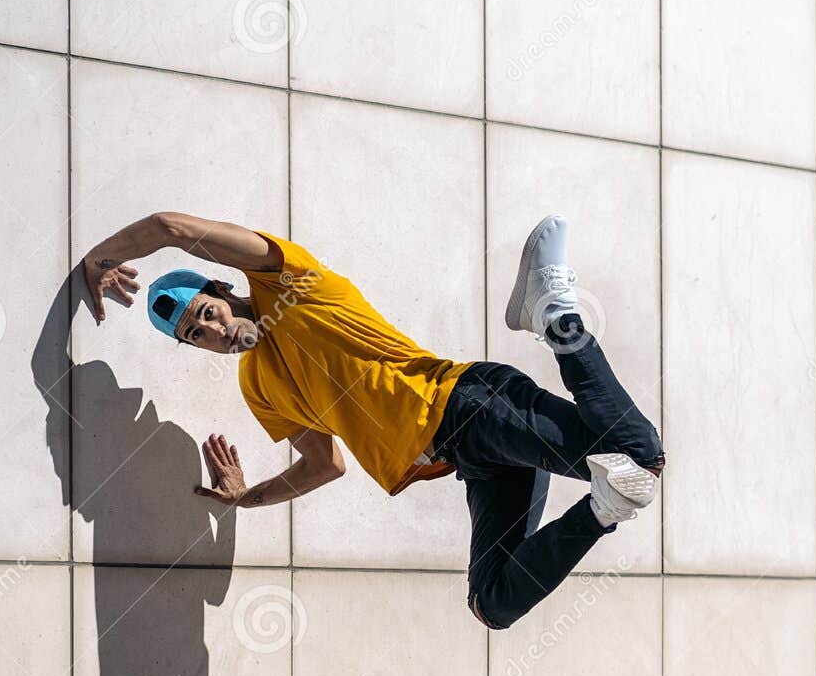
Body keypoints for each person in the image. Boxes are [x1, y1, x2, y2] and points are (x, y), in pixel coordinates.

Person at [83, 212, 664, 631]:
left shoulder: (290, 283)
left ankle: (554, 308)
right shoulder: (257, 386)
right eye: (194, 336)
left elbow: (170, 228)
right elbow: (324, 463)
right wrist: (245, 500)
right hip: (467, 458)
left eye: (206, 314)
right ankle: (603, 508)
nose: (211, 333)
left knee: (640, 455)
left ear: (223, 290)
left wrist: (103, 258)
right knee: (492, 603)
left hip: (467, 401)